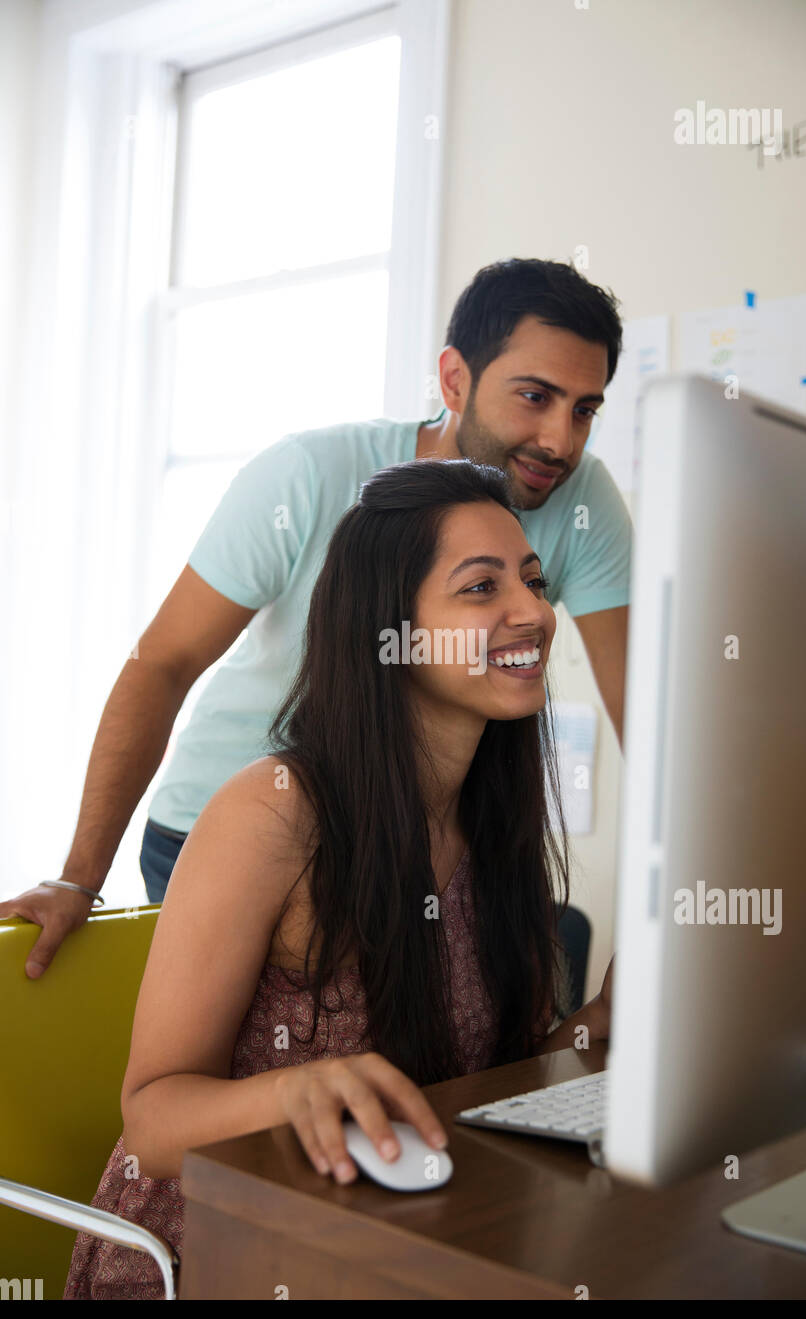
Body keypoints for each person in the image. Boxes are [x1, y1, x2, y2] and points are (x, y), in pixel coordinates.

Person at [63, 458, 612, 1300]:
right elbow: (152, 1120)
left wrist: (600, 1030)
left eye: (534, 581)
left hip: (389, 1245)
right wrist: (297, 1088)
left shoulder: (490, 821)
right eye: (480, 588)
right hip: (215, 1258)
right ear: (387, 630)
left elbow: (477, 1082)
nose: (533, 612)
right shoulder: (274, 814)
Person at [2, 257, 632, 978]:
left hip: (399, 838)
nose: (562, 441)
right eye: (534, 396)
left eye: (585, 408)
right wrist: (79, 878)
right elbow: (164, 663)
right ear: (455, 379)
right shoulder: (308, 475)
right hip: (227, 831)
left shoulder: (582, 502)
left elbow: (644, 716)